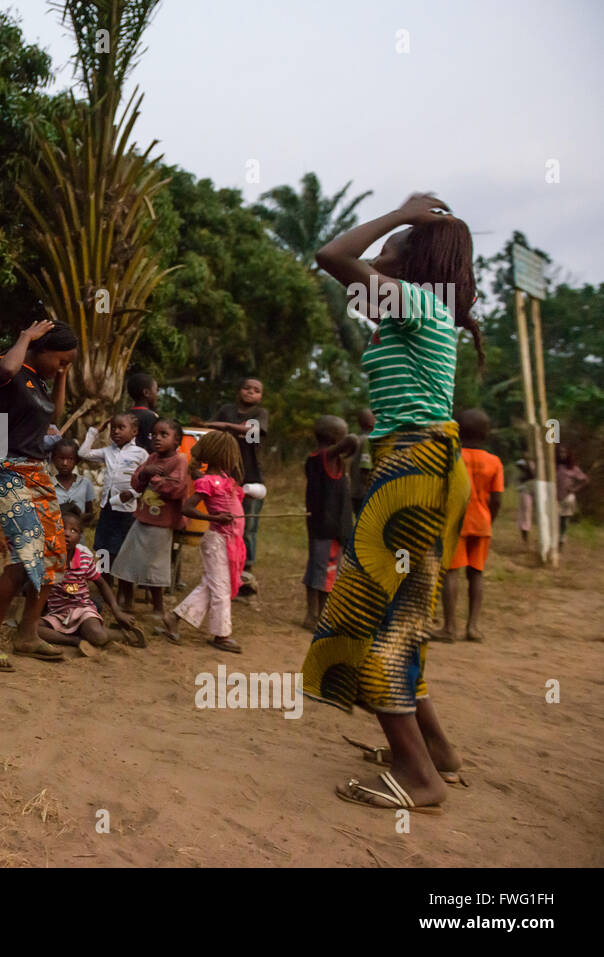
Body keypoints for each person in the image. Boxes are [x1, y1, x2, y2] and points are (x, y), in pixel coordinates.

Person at [302, 192, 483, 812]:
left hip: (415, 465)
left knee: (374, 619)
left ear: (409, 257)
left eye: (390, 246)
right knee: (399, 615)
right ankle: (438, 754)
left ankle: (419, 778)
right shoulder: (415, 310)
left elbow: (330, 253)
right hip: (417, 462)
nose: (377, 253)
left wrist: (404, 212)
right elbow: (348, 275)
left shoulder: (414, 303)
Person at [0, 318, 78, 671]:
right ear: (42, 349)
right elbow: (6, 366)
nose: (63, 366)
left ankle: (28, 634)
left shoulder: (38, 381)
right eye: (61, 360)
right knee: (22, 562)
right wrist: (24, 336)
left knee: (52, 555)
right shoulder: (11, 372)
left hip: (36, 471)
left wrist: (62, 375)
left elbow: (54, 416)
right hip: (9, 471)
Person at [165, 431, 246, 653]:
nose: (235, 459)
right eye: (231, 455)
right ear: (221, 456)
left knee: (212, 586)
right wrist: (214, 518)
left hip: (229, 542)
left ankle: (174, 618)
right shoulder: (208, 481)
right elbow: (187, 508)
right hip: (217, 541)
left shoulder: (227, 481)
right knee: (220, 588)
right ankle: (221, 635)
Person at [430, 408, 503, 643]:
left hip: (454, 522)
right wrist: (489, 519)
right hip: (482, 523)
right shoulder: (494, 462)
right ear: (486, 433)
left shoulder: (449, 457)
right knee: (476, 574)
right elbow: (498, 498)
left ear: (457, 429)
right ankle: (473, 627)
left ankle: (450, 627)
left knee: (451, 572)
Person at [112, 419, 189, 631]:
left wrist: (152, 477)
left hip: (162, 523)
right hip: (143, 517)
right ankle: (126, 599)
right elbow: (136, 480)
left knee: (155, 566)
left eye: (164, 434)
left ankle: (158, 608)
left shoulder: (179, 461)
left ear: (177, 441)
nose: (157, 438)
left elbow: (177, 488)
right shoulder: (152, 458)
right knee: (127, 557)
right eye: (154, 434)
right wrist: (145, 473)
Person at [38, 503, 137, 654]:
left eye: (73, 530)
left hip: (82, 610)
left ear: (80, 537)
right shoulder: (47, 559)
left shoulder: (84, 559)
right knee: (32, 629)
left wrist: (117, 611)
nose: (67, 533)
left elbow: (102, 584)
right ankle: (75, 640)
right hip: (58, 613)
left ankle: (120, 635)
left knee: (98, 636)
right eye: (62, 528)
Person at [203, 378, 269, 573]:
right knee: (224, 523)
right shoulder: (227, 410)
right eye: (246, 388)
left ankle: (246, 569)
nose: (250, 392)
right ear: (239, 391)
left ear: (261, 396)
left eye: (256, 390)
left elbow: (254, 432)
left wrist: (226, 426)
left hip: (251, 478)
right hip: (225, 478)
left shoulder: (259, 414)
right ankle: (224, 564)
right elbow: (210, 429)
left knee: (248, 525)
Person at [302, 415, 357, 630]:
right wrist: (347, 447)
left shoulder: (315, 457)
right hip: (330, 527)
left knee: (316, 570)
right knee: (327, 573)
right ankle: (320, 617)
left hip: (319, 525)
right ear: (336, 437)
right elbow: (352, 439)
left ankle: (312, 615)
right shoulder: (327, 457)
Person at [78, 412, 148, 578]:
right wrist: (95, 431)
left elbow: (146, 481)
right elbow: (83, 453)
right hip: (108, 507)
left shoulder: (141, 454)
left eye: (121, 427)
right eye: (112, 428)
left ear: (134, 431)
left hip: (127, 509)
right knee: (103, 545)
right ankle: (104, 577)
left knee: (123, 546)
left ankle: (122, 579)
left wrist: (132, 493)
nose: (115, 431)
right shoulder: (107, 451)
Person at [50, 437, 96, 522]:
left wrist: (79, 517)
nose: (65, 463)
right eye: (61, 458)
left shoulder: (85, 483)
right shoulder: (47, 484)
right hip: (55, 532)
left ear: (76, 460)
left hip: (76, 533)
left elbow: (90, 512)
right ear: (53, 459)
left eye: (70, 459)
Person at [555, 446, 589, 549]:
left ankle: (561, 540)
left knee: (564, 521)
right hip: (555, 498)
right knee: (556, 520)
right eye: (560, 452)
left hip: (568, 498)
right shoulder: (554, 467)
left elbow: (586, 480)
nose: (562, 454)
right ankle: (555, 539)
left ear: (568, 454)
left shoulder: (573, 468)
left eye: (564, 452)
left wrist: (575, 489)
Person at [350, 409, 376, 515]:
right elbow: (365, 468)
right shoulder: (368, 440)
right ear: (371, 423)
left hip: (355, 492)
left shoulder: (356, 439)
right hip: (364, 493)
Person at [126, 372, 160, 452]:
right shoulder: (152, 417)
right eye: (156, 390)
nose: (157, 394)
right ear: (146, 393)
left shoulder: (124, 415)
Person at [514, 458, 535, 548]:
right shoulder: (524, 479)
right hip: (525, 496)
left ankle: (526, 540)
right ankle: (525, 540)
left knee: (525, 517)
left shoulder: (530, 479)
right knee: (525, 517)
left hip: (528, 496)